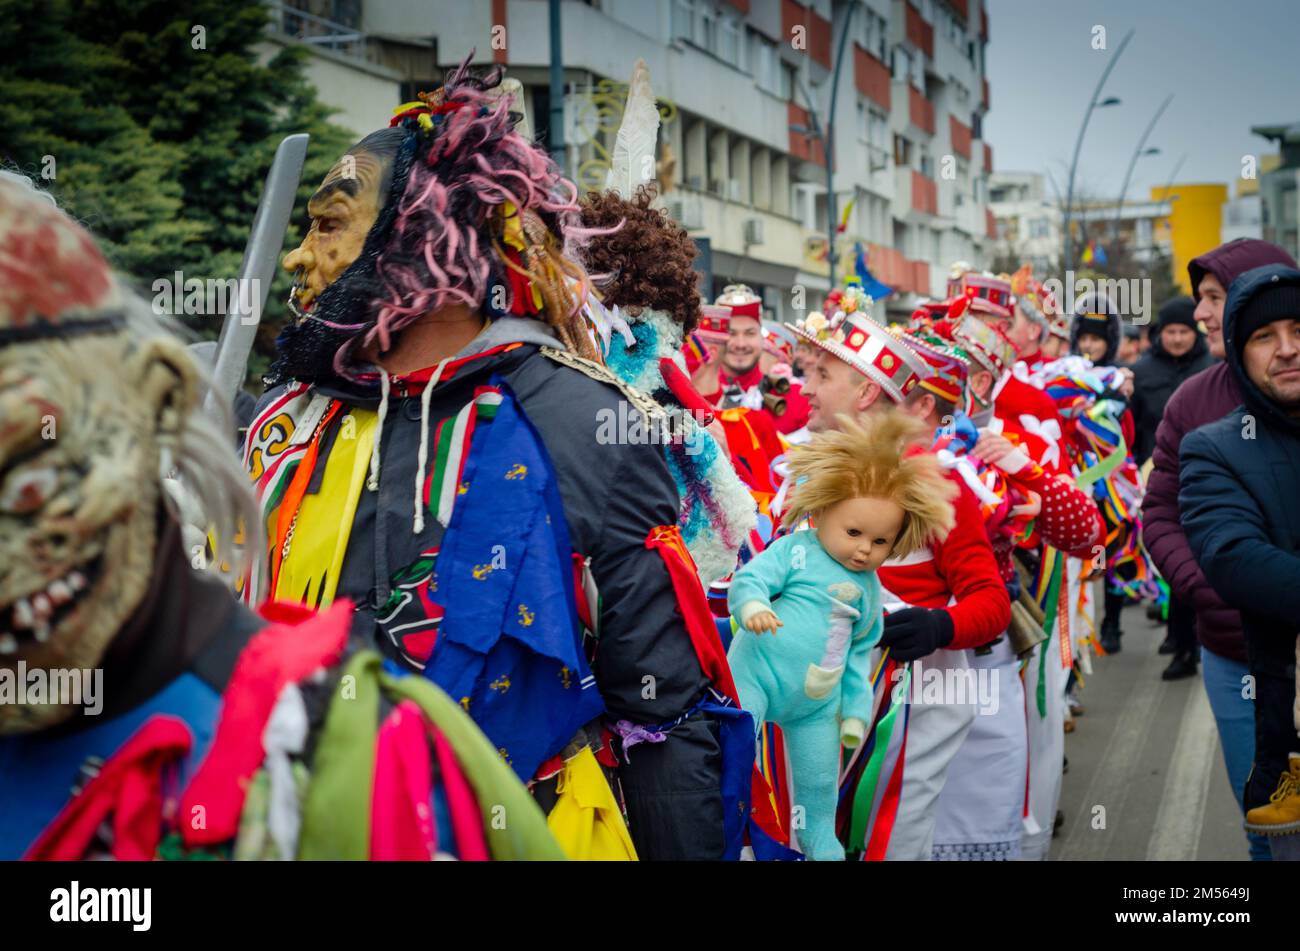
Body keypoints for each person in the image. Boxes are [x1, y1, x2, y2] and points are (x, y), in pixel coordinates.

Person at [248, 59, 734, 860]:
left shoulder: (590, 426)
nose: (300, 259)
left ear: (421, 241)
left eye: (328, 226)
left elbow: (665, 721)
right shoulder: (289, 425)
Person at [0, 177, 558, 861]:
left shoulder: (368, 765)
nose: (298, 259)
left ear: (156, 403)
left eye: (25, 473)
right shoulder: (289, 419)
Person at [793, 301, 1010, 860]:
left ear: (866, 393)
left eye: (823, 375)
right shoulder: (801, 470)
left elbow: (992, 603)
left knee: (886, 843)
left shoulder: (934, 484)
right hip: (816, 704)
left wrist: (939, 626)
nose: (805, 386)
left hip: (910, 709)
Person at [728, 412, 956, 860]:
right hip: (756, 675)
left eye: (880, 542)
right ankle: (729, 831)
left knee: (818, 781)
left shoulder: (871, 589)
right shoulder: (795, 551)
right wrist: (752, 607)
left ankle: (819, 838)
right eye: (854, 533)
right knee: (735, 756)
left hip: (816, 703)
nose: (863, 549)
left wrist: (854, 712)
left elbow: (858, 653)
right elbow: (748, 580)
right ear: (823, 510)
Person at [1144, 237, 1296, 861]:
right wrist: (1215, 587)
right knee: (1272, 828)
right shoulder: (1197, 411)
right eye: (1267, 336)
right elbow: (1162, 514)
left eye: (1214, 298)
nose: (1202, 314)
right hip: (1237, 653)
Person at [1128, 296, 1214, 677]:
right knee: (1172, 563)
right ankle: (1181, 643)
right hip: (1158, 478)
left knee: (1209, 562)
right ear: (1159, 334)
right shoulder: (1141, 372)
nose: (1177, 339)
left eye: (1183, 331)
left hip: (1210, 478)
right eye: (1170, 332)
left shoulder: (1212, 365)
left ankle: (1199, 643)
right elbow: (1130, 429)